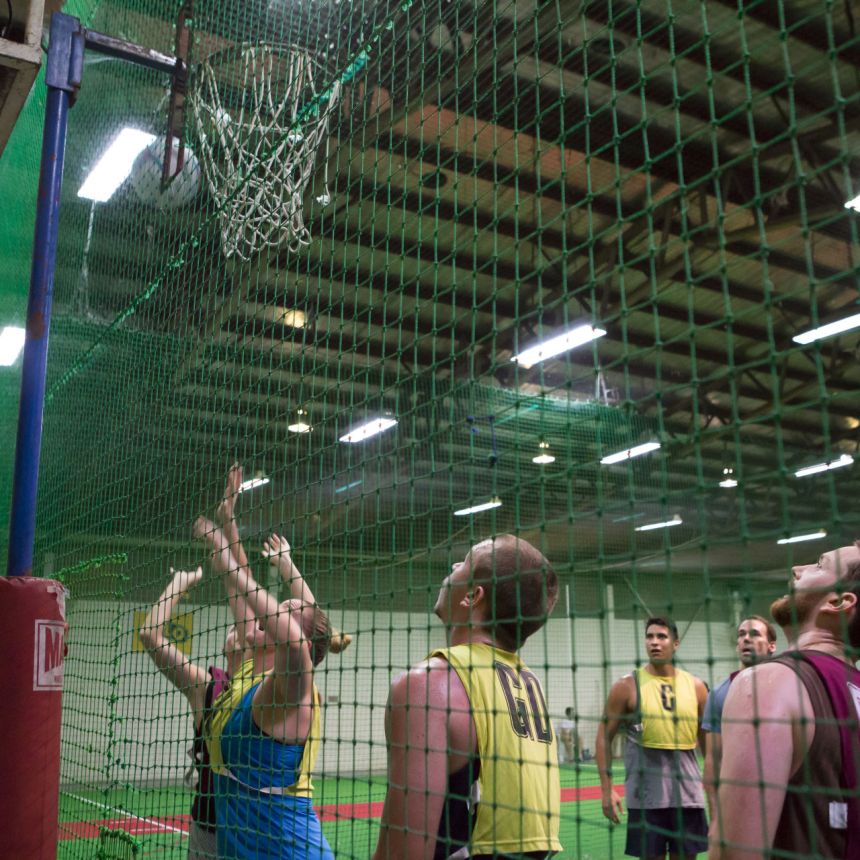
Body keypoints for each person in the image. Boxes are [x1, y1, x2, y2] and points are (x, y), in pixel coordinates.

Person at [373, 534, 562, 860]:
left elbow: (403, 852)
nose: (453, 565)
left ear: (473, 596)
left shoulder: (425, 685)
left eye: (465, 563)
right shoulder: (529, 683)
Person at [196, 517, 340, 860]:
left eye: (284, 614)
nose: (275, 611)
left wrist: (229, 564)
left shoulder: (288, 695)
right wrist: (230, 524)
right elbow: (243, 588)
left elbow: (298, 639)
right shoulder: (251, 667)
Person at [710, 542, 860, 860]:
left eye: (818, 565)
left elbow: (735, 854)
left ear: (838, 601)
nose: (797, 569)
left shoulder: (768, 682)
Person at [596, 617, 709, 860]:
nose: (654, 642)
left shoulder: (697, 687)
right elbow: (603, 738)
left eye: (661, 637)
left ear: (675, 644)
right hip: (646, 798)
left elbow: (709, 747)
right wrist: (607, 790)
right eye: (649, 637)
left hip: (687, 798)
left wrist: (715, 789)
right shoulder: (626, 686)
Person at [701, 616, 776, 825]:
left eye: (755, 634)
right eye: (742, 634)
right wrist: (715, 818)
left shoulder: (788, 686)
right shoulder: (719, 694)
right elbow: (713, 761)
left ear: (772, 645)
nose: (746, 639)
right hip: (739, 802)